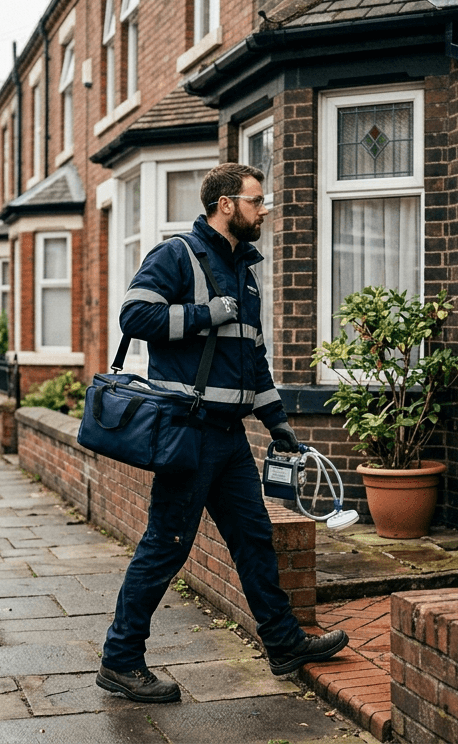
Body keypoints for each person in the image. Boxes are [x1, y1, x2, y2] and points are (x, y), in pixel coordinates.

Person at [96, 163, 348, 703]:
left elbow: (253, 359)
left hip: (230, 438)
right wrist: (205, 313)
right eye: (258, 201)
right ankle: (120, 660)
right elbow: (135, 317)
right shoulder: (177, 255)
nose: (265, 210)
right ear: (227, 204)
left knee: (254, 538)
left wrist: (278, 425)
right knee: (165, 547)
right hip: (186, 433)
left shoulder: (246, 273)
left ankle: (282, 643)